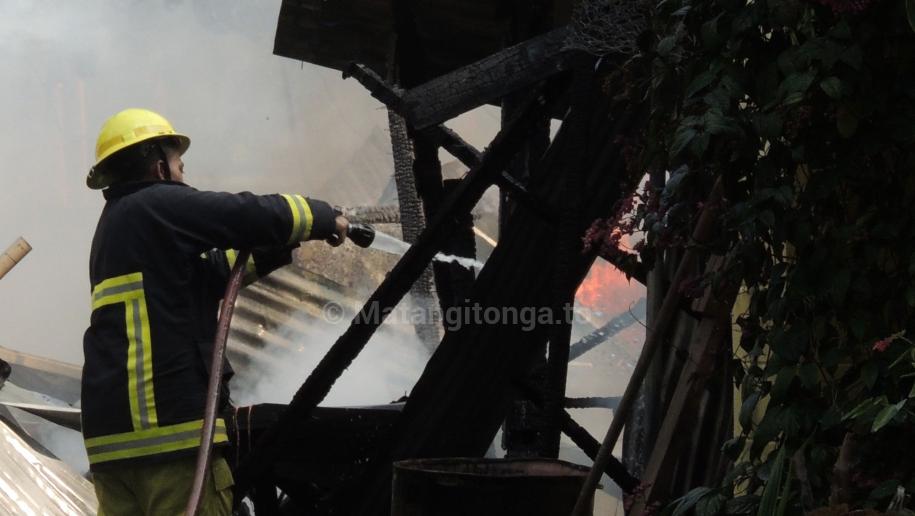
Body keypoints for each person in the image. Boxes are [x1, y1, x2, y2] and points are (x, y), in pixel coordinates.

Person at [81, 108, 348, 515]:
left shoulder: (116, 229)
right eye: (178, 165)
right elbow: (246, 214)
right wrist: (321, 215)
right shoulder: (157, 204)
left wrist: (280, 247)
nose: (182, 175)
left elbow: (208, 276)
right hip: (170, 438)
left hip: (113, 446)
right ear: (158, 166)